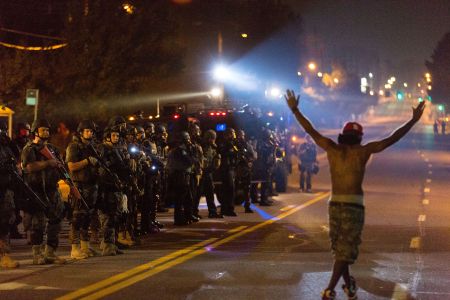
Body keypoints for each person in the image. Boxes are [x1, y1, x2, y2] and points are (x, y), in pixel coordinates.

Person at [285, 89, 425, 300]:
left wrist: (295, 110)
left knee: (342, 248)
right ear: (359, 137)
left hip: (339, 205)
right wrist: (412, 121)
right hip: (350, 205)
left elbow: (311, 130)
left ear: (343, 134)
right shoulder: (362, 151)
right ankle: (339, 287)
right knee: (344, 249)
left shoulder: (333, 148)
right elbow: (391, 139)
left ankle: (339, 287)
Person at [21, 119, 66, 265]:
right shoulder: (29, 148)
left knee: (57, 219)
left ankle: (50, 252)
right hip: (37, 190)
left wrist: (61, 168)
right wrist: (48, 163)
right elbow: (28, 167)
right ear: (36, 132)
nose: (46, 132)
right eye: (42, 130)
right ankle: (37, 254)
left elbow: (61, 166)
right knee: (38, 224)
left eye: (47, 130)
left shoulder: (52, 149)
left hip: (53, 189)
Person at [65, 120, 99, 259]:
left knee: (87, 217)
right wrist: (87, 161)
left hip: (91, 186)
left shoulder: (91, 146)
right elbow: (71, 166)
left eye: (91, 131)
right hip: (79, 185)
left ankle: (85, 246)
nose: (90, 133)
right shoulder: (74, 147)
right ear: (81, 132)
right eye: (87, 131)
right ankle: (74, 248)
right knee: (77, 218)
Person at [0, 121, 20, 268]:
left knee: (6, 222)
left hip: (5, 188)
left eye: (3, 130)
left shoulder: (8, 146)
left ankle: (4, 256)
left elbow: (16, 163)